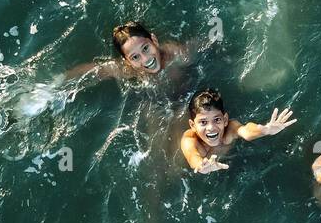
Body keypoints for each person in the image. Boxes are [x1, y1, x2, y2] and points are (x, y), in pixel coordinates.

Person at [179, 88, 297, 174]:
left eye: (216, 120)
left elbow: (246, 131)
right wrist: (201, 166)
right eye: (203, 122)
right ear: (192, 125)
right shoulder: (190, 139)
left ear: (225, 119)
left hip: (225, 165)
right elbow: (192, 156)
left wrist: (265, 130)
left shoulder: (229, 129)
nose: (211, 127)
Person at [64, 21, 199, 84]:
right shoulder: (128, 70)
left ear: (154, 41)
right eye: (135, 57)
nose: (145, 59)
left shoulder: (177, 55)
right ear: (127, 61)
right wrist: (57, 83)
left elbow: (201, 45)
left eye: (145, 48)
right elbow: (94, 70)